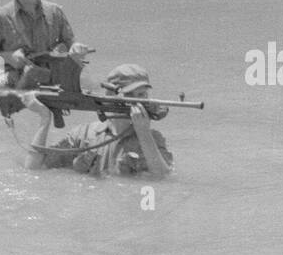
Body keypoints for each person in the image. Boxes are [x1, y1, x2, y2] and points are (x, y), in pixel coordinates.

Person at [24, 64, 173, 178]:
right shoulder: (84, 134)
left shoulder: (152, 139)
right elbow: (34, 169)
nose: (139, 101)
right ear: (111, 95)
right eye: (131, 94)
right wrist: (44, 119)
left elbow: (162, 178)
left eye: (143, 94)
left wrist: (144, 133)